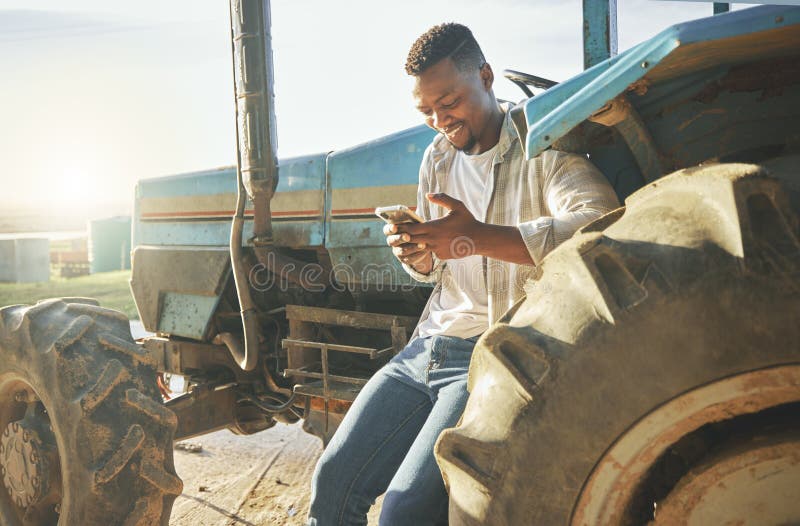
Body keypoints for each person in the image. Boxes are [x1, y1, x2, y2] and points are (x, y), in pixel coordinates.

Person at [307, 23, 620, 526]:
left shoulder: (546, 146)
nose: (438, 119)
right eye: (426, 110)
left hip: (491, 355)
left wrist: (478, 236)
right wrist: (420, 254)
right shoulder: (437, 157)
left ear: (487, 77)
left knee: (405, 511)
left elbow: (600, 226)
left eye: (448, 101)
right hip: (425, 348)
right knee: (332, 487)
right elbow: (439, 272)